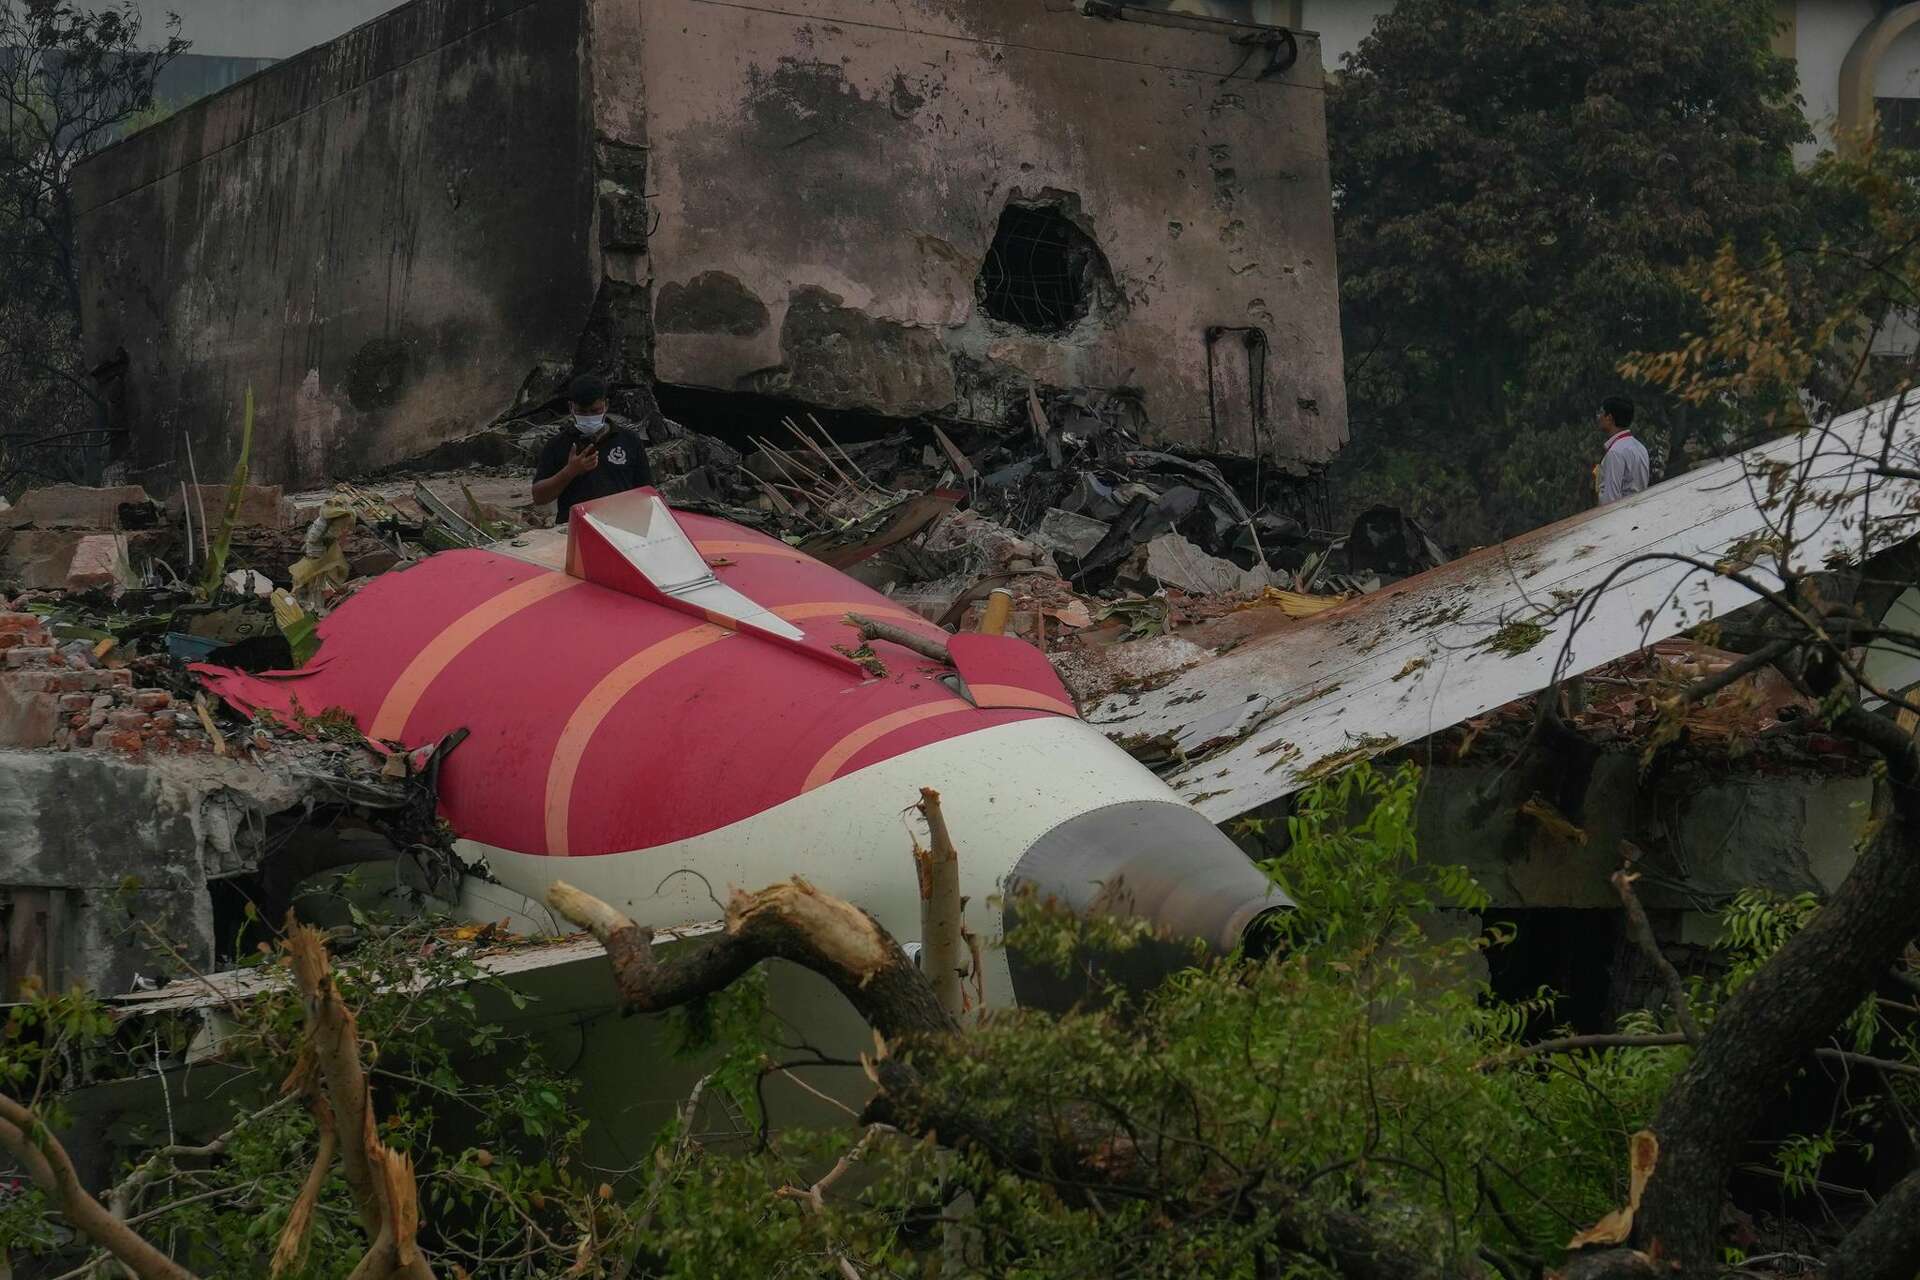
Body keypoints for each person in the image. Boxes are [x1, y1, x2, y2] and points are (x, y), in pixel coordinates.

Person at [532, 374, 654, 522]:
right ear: (571, 407)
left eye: (595, 411)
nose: (589, 417)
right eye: (582, 412)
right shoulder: (557, 444)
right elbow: (539, 497)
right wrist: (570, 471)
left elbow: (646, 494)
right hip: (576, 526)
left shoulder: (629, 440)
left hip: (620, 525)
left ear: (606, 405)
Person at [1594, 395, 1650, 505]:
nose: (1598, 417)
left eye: (1601, 413)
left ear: (1609, 418)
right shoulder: (1640, 447)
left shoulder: (1615, 452)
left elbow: (1611, 500)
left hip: (1621, 513)